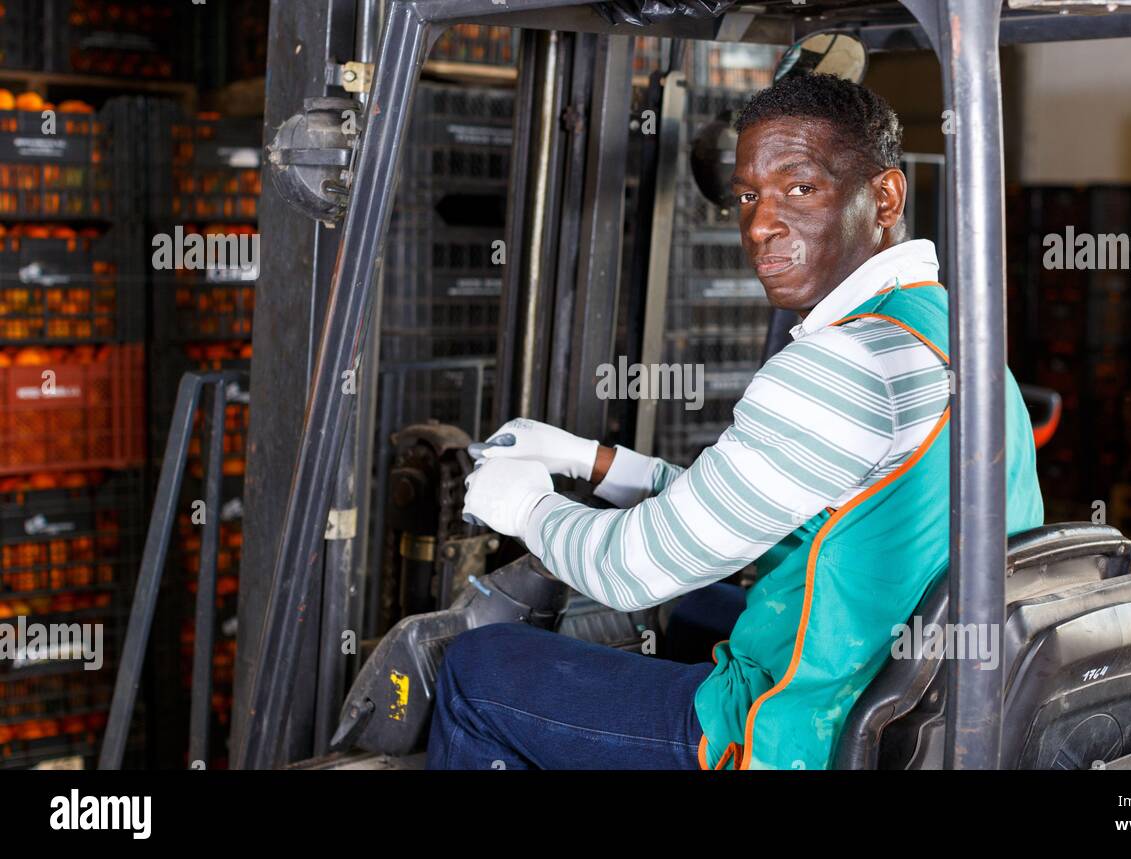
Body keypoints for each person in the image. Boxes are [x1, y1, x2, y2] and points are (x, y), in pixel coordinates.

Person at [432, 73, 1044, 770]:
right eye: (749, 196)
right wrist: (591, 461)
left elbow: (632, 569)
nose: (759, 224)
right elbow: (754, 507)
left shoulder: (839, 364)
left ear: (884, 197)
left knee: (481, 671)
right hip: (901, 695)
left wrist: (528, 508)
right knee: (689, 613)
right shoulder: (952, 336)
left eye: (799, 189)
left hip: (802, 736)